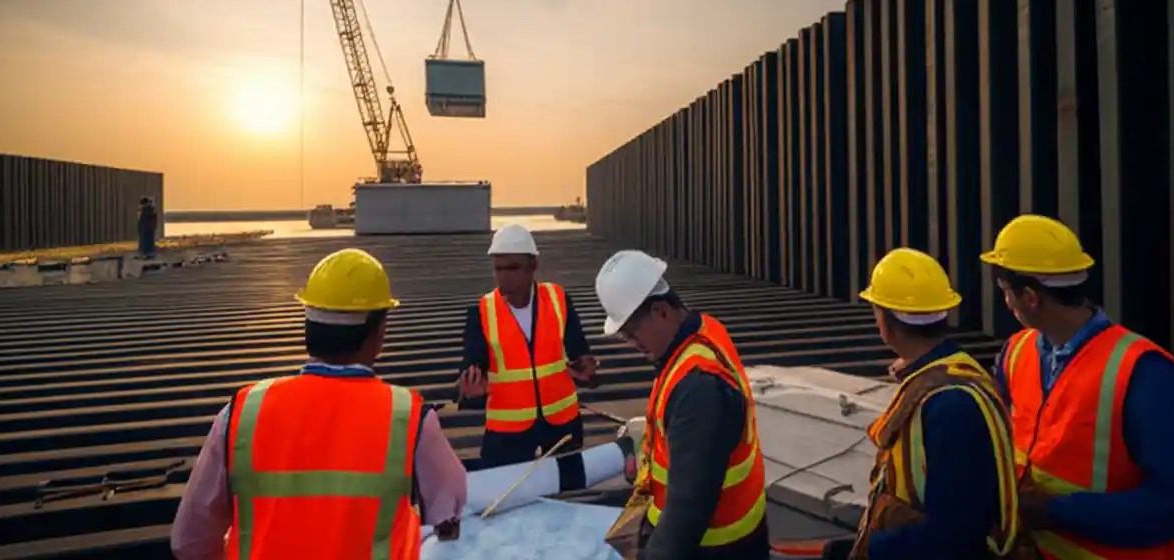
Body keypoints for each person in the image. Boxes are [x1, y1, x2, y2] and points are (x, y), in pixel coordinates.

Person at [170, 248, 467, 560]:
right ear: (379, 333)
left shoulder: (242, 413)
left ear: (308, 328)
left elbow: (189, 542)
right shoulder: (409, 418)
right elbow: (451, 514)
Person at [983, 214, 1174, 558]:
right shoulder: (1016, 352)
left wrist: (1053, 511)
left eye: (1006, 293)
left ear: (1030, 296)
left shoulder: (1146, 374)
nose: (1007, 304)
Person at [820, 248, 1021, 560]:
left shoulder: (950, 405)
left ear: (885, 320)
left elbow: (956, 534)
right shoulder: (947, 377)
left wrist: (873, 549)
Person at [595, 249, 768, 559]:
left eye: (633, 334)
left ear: (661, 310)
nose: (634, 345)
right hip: (738, 534)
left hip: (714, 548)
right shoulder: (703, 331)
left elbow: (687, 511)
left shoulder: (698, 388)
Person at [456, 223, 598, 492]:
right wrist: (471, 391)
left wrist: (588, 371)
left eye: (513, 268)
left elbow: (582, 356)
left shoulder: (558, 300)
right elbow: (471, 371)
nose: (504, 277)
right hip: (508, 431)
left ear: (534, 265)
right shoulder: (482, 312)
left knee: (570, 495)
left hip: (562, 424)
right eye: (498, 268)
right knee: (500, 497)